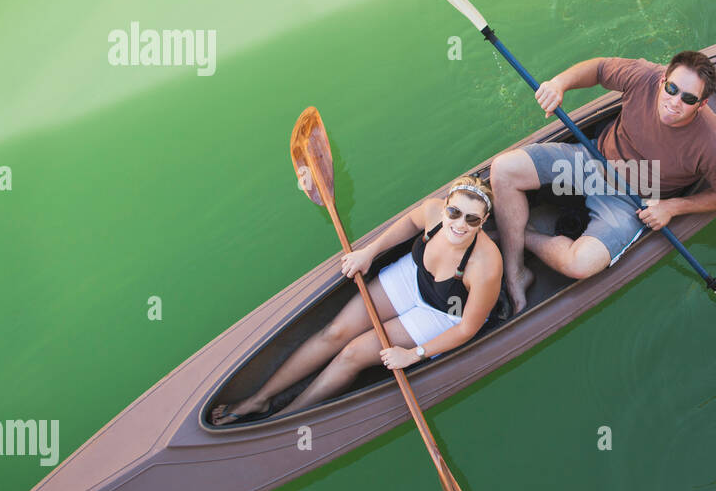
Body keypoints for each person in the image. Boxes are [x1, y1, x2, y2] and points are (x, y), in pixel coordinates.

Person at [211, 176, 501, 425]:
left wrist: (415, 354)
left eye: (472, 219)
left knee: (352, 353)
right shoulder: (434, 212)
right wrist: (369, 252)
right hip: (414, 277)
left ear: (483, 221)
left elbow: (467, 329)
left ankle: (283, 418)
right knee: (335, 333)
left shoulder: (485, 267)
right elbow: (410, 222)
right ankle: (258, 400)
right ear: (446, 205)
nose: (459, 224)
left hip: (445, 311)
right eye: (454, 212)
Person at [489, 51, 716, 313]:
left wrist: (672, 207)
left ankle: (519, 233)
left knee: (581, 264)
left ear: (701, 104)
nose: (675, 101)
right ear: (662, 81)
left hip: (629, 202)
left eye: (688, 98)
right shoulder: (644, 76)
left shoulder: (715, 146)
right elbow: (599, 69)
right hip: (592, 158)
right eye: (672, 88)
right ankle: (516, 272)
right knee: (503, 169)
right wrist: (559, 83)